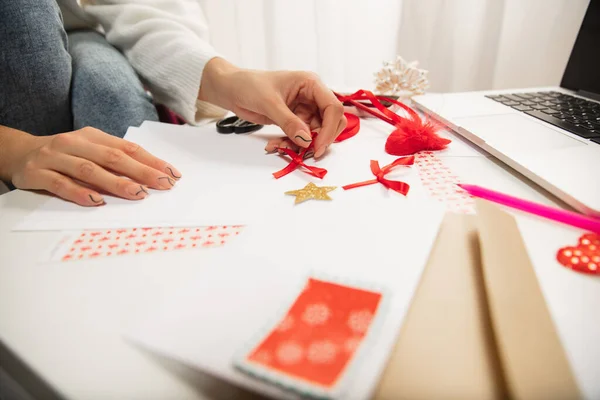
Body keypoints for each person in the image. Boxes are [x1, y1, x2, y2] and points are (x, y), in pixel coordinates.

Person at [0, 0, 346, 206]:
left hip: (79, 26)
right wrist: (14, 149)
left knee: (111, 92)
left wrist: (224, 78)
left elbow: (130, 8)